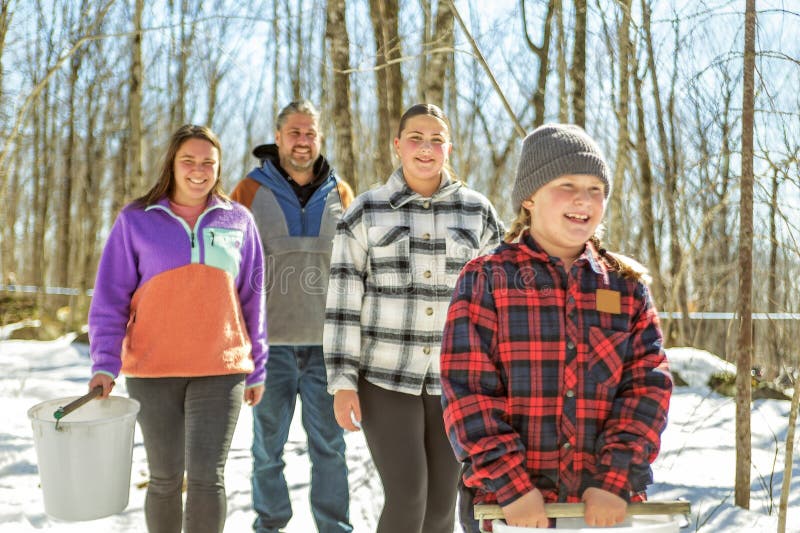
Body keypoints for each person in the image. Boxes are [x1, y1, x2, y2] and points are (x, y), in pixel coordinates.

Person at [440, 123, 673, 532]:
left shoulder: (626, 288)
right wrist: (512, 487)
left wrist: (614, 479)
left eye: (596, 188)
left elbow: (647, 388)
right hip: (509, 510)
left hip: (600, 509)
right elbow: (468, 393)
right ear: (529, 197)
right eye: (566, 184)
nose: (584, 199)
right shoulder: (486, 280)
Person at [324, 103, 505, 533]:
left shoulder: (477, 213)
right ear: (397, 146)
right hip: (385, 377)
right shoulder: (366, 211)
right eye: (416, 139)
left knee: (441, 507)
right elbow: (343, 301)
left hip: (454, 382)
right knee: (408, 497)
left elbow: (497, 306)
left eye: (436, 140)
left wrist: (499, 378)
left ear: (449, 148)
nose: (426, 148)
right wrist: (343, 382)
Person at [87, 124, 268, 533]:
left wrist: (257, 365)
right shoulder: (136, 220)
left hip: (221, 370)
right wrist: (104, 363)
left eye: (208, 161)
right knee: (166, 479)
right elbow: (109, 299)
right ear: (172, 162)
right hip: (154, 369)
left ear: (219, 167)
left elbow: (253, 300)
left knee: (207, 479)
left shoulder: (239, 220)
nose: (198, 169)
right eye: (188, 160)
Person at [230, 100, 354, 533]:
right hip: (269, 348)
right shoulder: (246, 192)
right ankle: (270, 525)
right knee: (267, 451)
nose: (303, 142)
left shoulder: (341, 192)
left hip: (327, 350)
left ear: (320, 139)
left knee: (330, 449)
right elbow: (230, 269)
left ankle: (334, 527)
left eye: (311, 134)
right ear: (278, 137)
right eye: (295, 133)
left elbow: (355, 270)